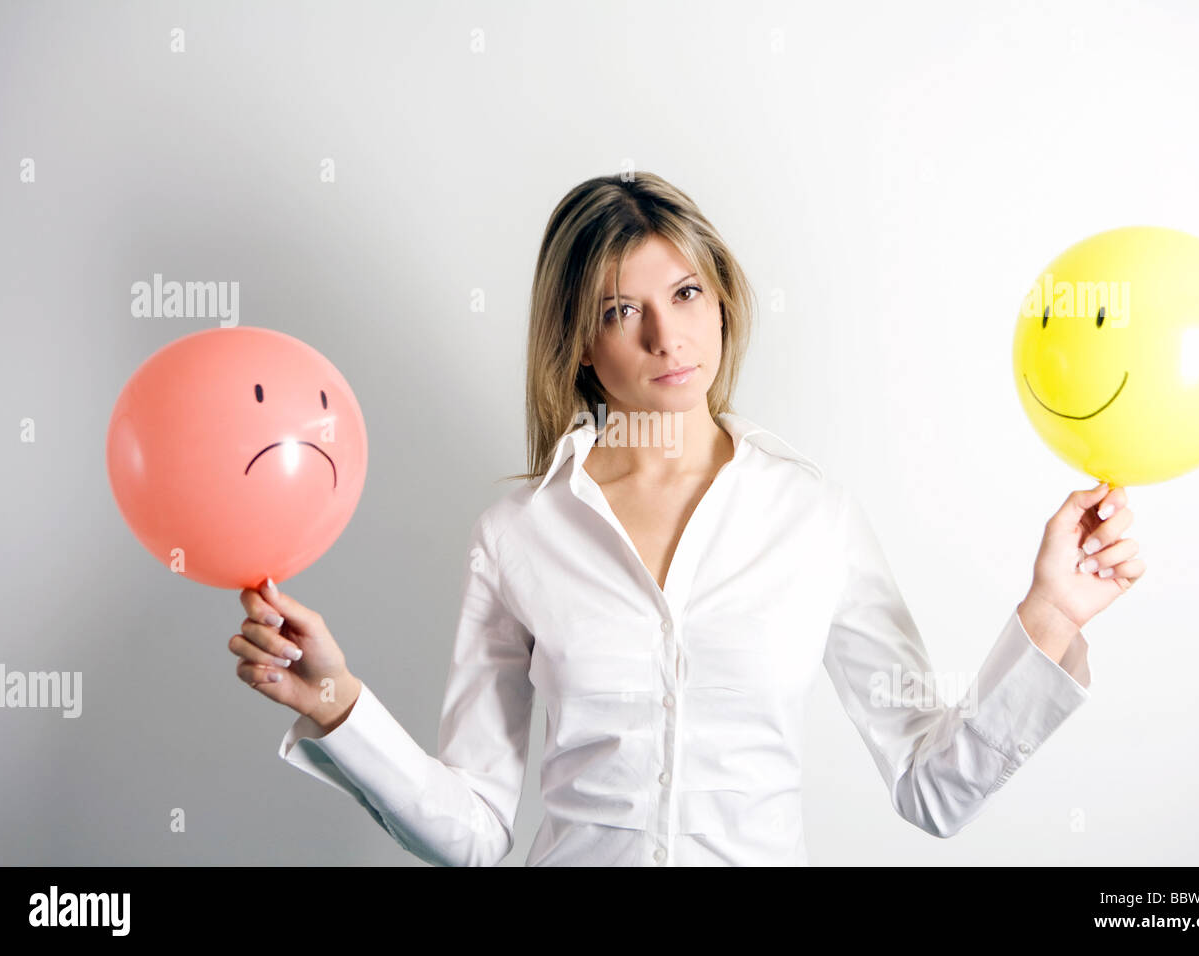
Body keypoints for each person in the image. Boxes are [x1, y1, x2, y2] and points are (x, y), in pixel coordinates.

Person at [229, 172, 1145, 866]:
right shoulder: (517, 535)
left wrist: (1051, 615)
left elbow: (931, 788)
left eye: (687, 295)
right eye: (621, 311)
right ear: (579, 346)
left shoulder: (813, 517)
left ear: (722, 300)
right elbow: (473, 831)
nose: (667, 339)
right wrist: (339, 706)